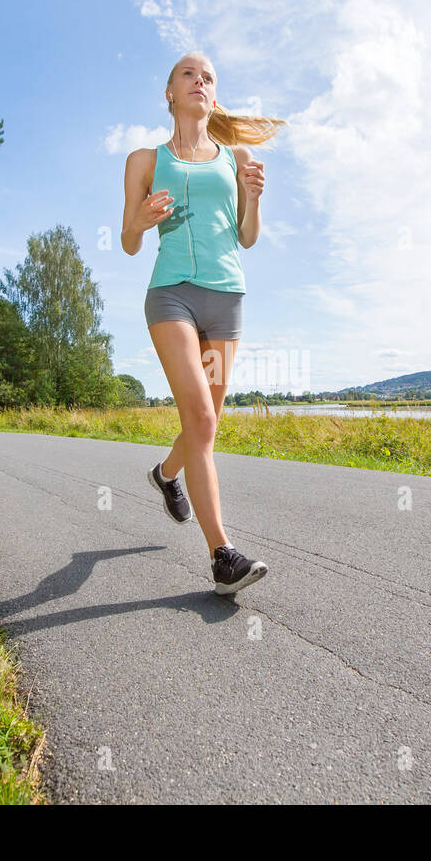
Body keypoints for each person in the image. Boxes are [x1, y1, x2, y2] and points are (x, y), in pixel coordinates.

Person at [120, 51, 287, 595]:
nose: (199, 81)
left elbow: (247, 237)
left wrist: (255, 199)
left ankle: (167, 474)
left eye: (208, 76)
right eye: (188, 74)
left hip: (226, 297)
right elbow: (127, 242)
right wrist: (141, 221)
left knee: (206, 422)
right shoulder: (144, 159)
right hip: (171, 296)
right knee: (198, 414)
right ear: (169, 92)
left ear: (214, 97)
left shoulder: (235, 157)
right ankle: (222, 556)